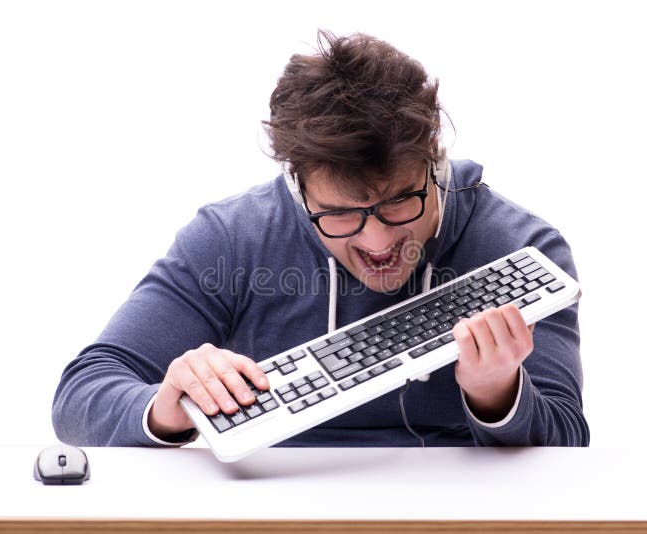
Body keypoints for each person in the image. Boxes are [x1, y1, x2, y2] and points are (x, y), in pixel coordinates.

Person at [52, 31, 589, 448]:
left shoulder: (521, 246)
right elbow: (81, 395)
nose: (378, 241)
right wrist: (169, 408)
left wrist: (497, 393)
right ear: (297, 185)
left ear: (434, 158)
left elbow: (568, 444)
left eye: (400, 201)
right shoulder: (232, 239)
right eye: (339, 214)